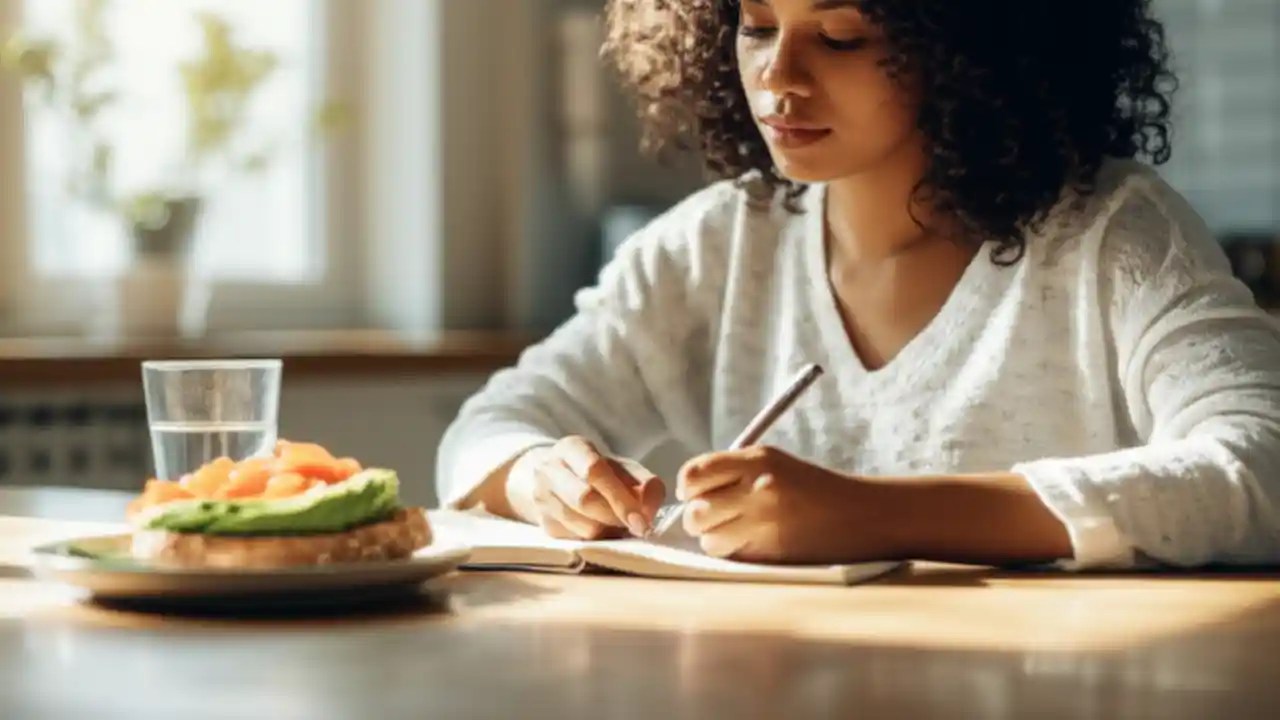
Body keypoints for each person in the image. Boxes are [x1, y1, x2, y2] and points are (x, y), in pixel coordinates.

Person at [436, 0, 1280, 569]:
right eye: (757, 24)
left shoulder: (1108, 235)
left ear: (970, 47)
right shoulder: (719, 247)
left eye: (840, 36)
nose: (777, 76)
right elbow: (487, 429)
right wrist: (536, 473)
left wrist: (875, 514)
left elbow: (1260, 466)